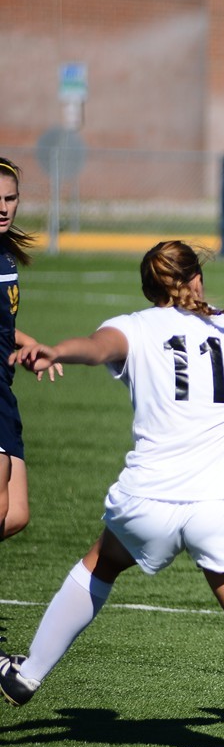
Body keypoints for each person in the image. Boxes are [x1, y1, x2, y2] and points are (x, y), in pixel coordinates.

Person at [0, 241, 224, 747]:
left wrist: (56, 352)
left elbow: (94, 345)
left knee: (102, 564)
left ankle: (27, 673)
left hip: (147, 501)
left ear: (149, 288)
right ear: (197, 277)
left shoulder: (134, 326)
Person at [1, 156, 62, 544]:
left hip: (2, 390)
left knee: (17, 514)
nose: (2, 207)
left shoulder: (5, 255)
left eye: (10, 198)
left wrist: (29, 345)